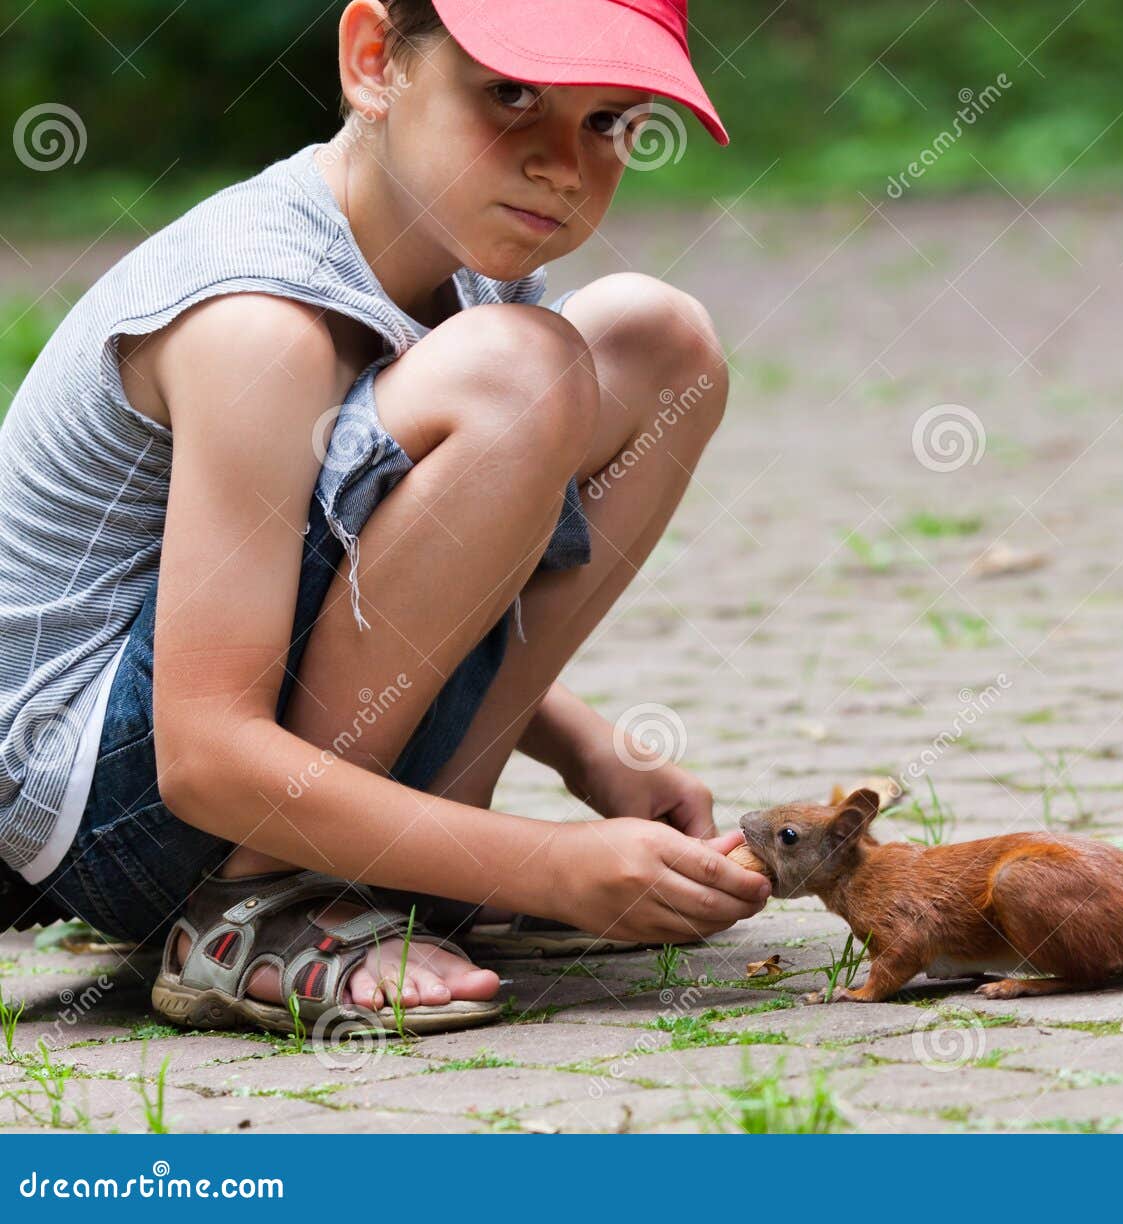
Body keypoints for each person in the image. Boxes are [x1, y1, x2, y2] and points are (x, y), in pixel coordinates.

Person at [0, 0, 770, 1038]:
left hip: (249, 750)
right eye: (510, 95)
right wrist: (551, 868)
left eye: (605, 122)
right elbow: (204, 753)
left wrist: (587, 751)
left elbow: (375, 562)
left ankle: (404, 882)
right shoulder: (256, 321)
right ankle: (258, 911)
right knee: (522, 369)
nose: (558, 163)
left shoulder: (467, 257)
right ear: (374, 60)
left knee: (656, 339)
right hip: (123, 811)